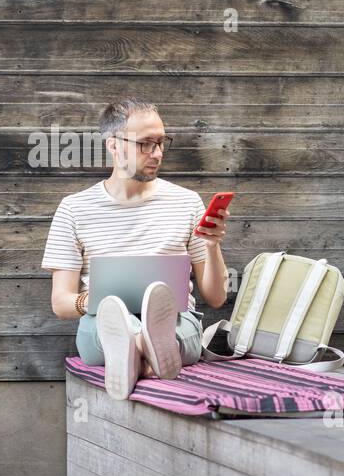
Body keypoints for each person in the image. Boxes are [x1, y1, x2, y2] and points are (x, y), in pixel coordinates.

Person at [41, 98, 230, 399]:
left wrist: (212, 246)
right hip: (103, 322)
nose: (157, 153)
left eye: (161, 142)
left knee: (172, 326)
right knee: (112, 320)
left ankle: (134, 355)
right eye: (145, 144)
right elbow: (61, 303)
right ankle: (148, 353)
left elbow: (216, 298)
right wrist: (93, 300)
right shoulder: (74, 209)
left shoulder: (187, 202)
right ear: (113, 145)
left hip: (176, 321)